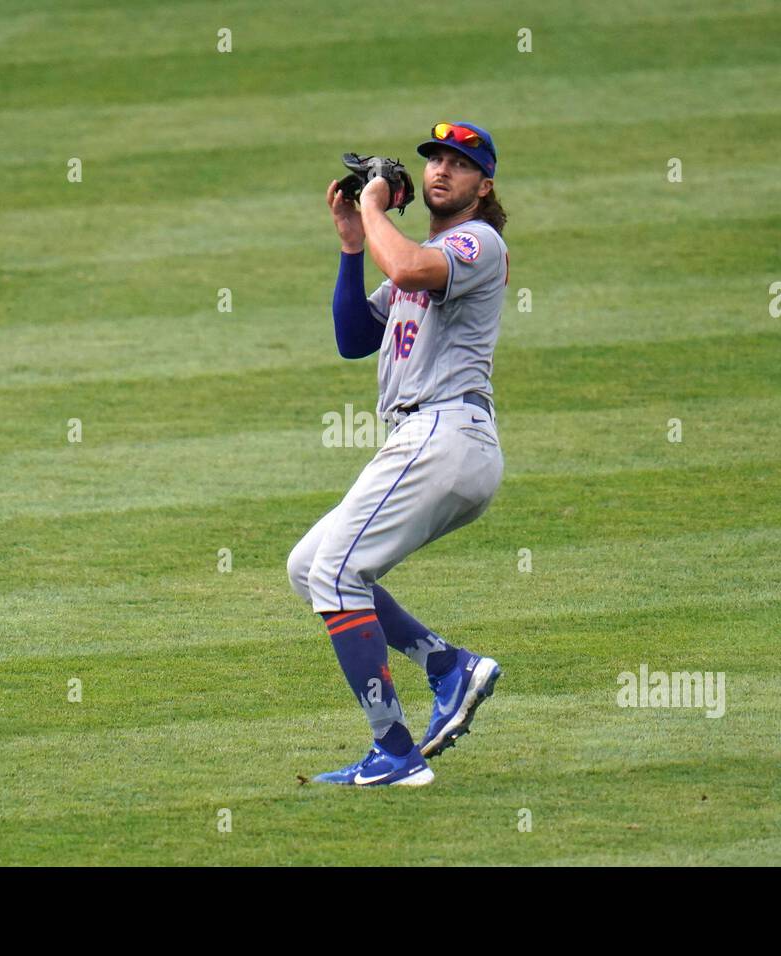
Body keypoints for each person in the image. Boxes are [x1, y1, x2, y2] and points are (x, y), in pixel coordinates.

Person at [287, 122, 511, 786]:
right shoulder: (427, 249)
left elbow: (409, 266)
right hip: (427, 442)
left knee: (337, 577)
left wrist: (375, 207)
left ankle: (394, 751)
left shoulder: (477, 243)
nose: (442, 170)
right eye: (436, 159)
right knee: (310, 568)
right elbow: (355, 336)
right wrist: (354, 243)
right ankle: (448, 667)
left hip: (444, 436)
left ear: (484, 184)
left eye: (460, 163)